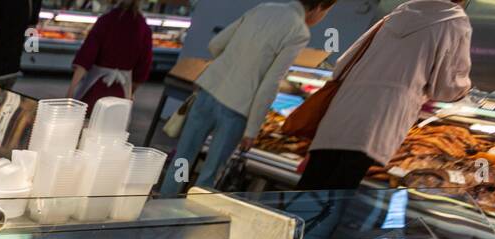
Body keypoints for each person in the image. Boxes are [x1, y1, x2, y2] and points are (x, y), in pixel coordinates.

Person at [158, 0, 336, 197]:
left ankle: (164, 203)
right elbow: (270, 83)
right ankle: (191, 218)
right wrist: (252, 130)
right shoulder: (298, 31)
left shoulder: (264, 8)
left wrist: (231, 64)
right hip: (236, 108)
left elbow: (215, 44)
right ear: (320, 7)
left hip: (208, 91)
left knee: (182, 158)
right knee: (210, 172)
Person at [296, 0, 472, 191]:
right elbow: (447, 87)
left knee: (308, 190)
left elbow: (342, 64)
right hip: (381, 121)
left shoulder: (396, 14)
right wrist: (464, 91)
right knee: (337, 195)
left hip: (343, 111)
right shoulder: (454, 22)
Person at [64, 0, 153, 109]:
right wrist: (131, 93)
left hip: (94, 90)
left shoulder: (106, 20)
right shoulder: (144, 28)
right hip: (121, 95)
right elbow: (144, 66)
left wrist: (71, 91)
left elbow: (86, 56)